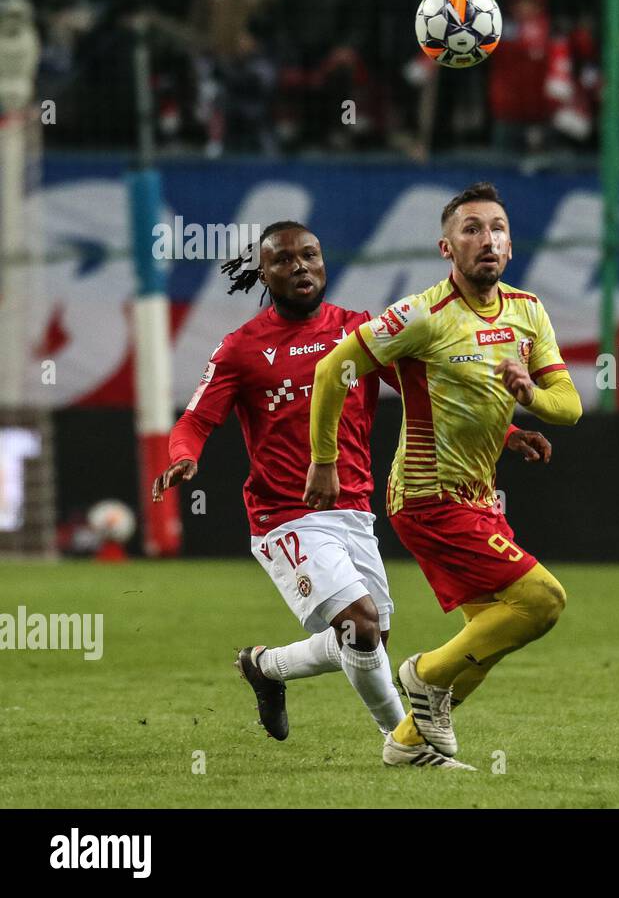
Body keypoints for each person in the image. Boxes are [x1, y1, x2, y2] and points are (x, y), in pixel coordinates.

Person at [152, 220, 546, 767]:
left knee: (367, 643)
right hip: (284, 516)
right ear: (264, 273)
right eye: (284, 261)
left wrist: (506, 432)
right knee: (359, 625)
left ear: (324, 261)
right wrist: (183, 457)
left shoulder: (358, 332)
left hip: (355, 510)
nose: (300, 268)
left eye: (309, 256)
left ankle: (264, 667)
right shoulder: (241, 348)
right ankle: (407, 744)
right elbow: (194, 421)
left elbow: (426, 393)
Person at [306, 181, 580, 769]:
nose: (488, 239)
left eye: (498, 228)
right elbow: (333, 371)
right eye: (472, 229)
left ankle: (407, 745)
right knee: (543, 601)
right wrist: (323, 460)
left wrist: (529, 397)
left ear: (510, 244)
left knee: (488, 634)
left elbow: (571, 405)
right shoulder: (421, 315)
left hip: (479, 497)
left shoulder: (528, 311)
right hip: (427, 496)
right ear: (446, 247)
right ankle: (423, 675)